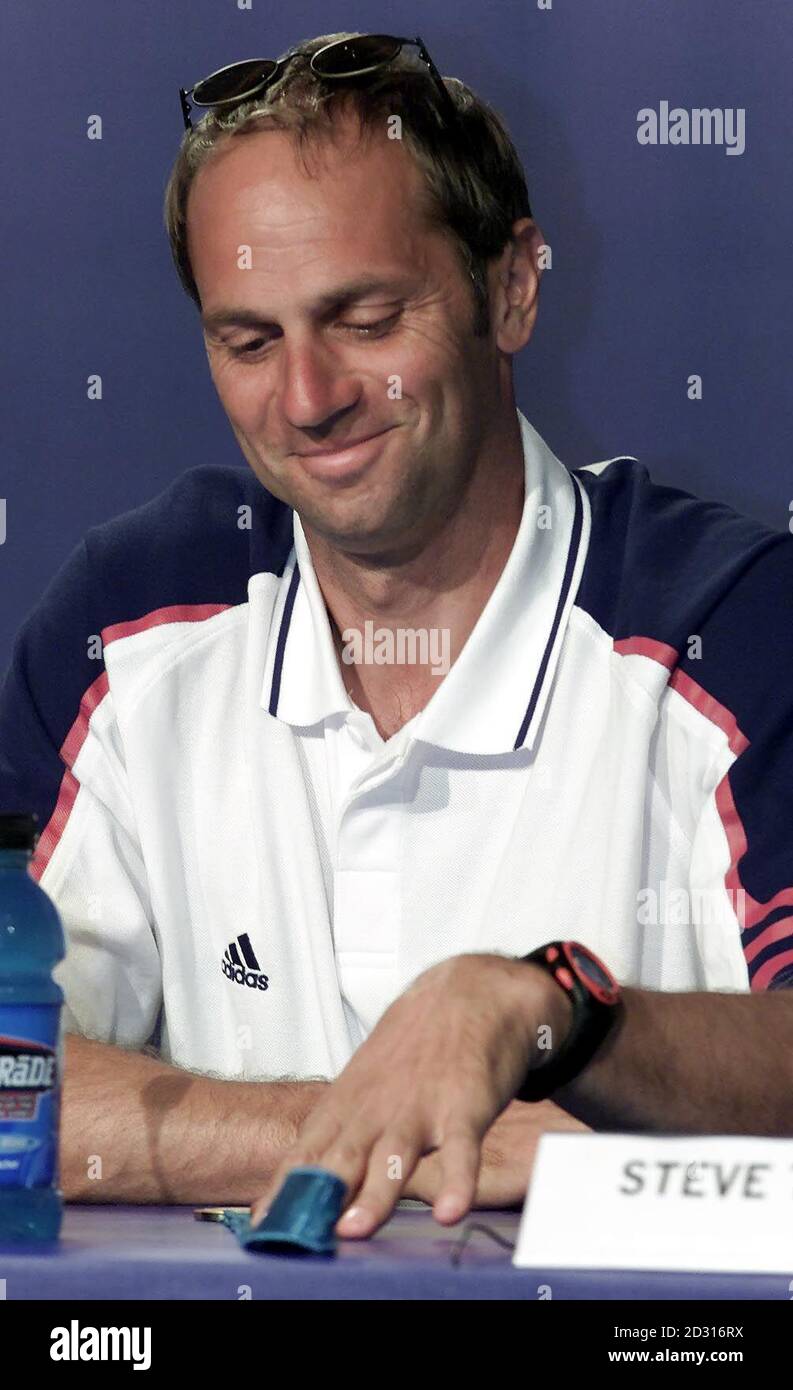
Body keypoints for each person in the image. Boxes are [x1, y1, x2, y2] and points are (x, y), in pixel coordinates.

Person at [2, 31, 793, 1239]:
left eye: (366, 318)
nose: (309, 398)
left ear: (512, 287)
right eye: (249, 341)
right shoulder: (130, 614)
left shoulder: (729, 620)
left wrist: (542, 1010)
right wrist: (402, 1133)